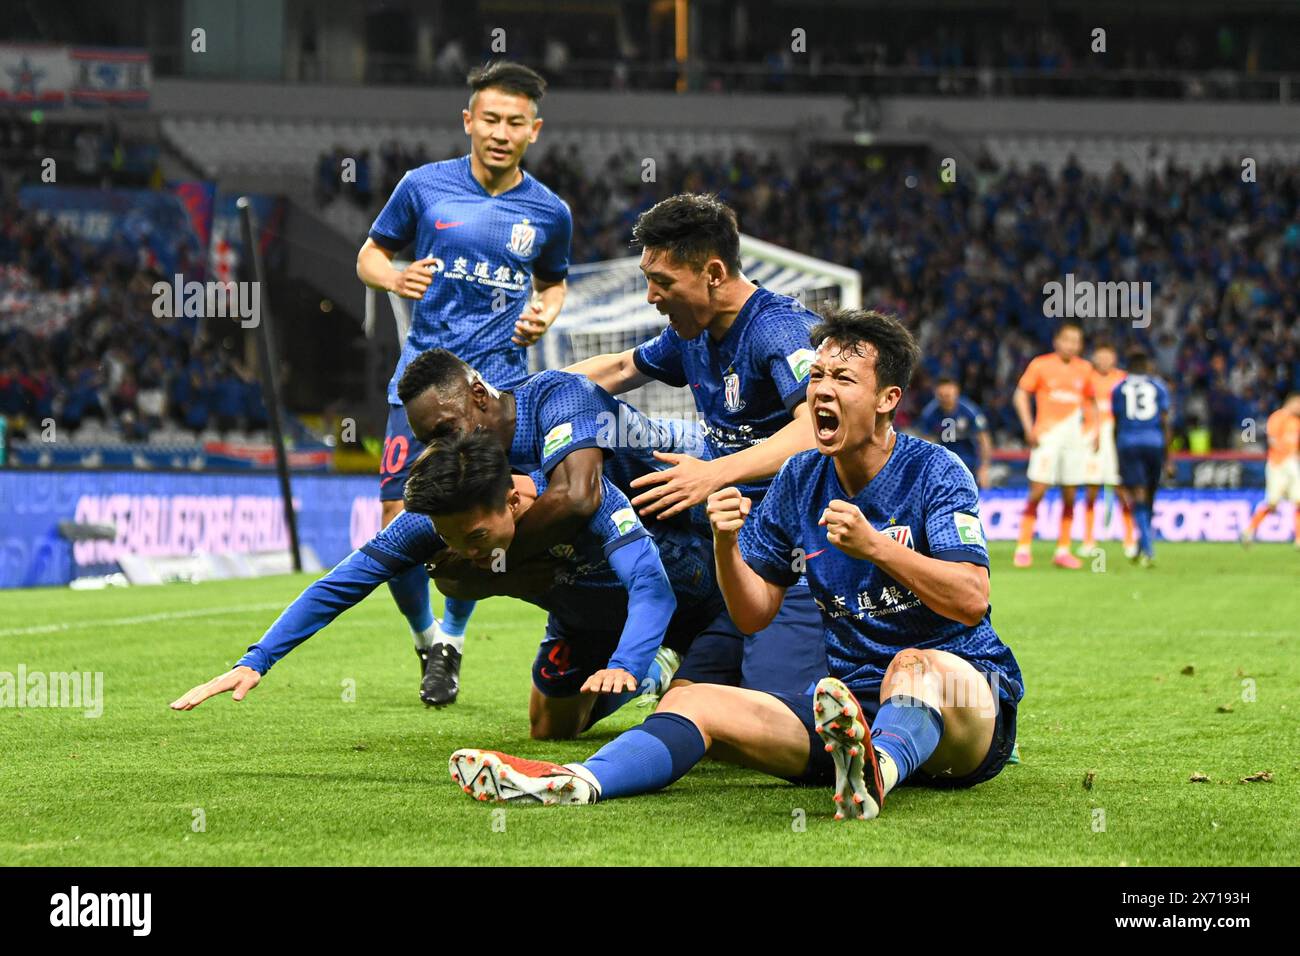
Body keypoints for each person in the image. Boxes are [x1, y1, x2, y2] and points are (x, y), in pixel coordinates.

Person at [447, 310, 1023, 821]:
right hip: (847, 716)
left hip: (963, 707)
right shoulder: (799, 480)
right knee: (691, 701)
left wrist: (877, 547)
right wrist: (726, 541)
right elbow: (752, 615)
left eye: (843, 379)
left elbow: (970, 598)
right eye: (817, 376)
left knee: (914, 665)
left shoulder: (935, 472)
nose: (821, 389)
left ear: (887, 399)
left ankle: (878, 772)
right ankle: (580, 782)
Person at [169, 433, 721, 740]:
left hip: (683, 603)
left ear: (511, 499)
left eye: (476, 536)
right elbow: (342, 583)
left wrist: (626, 657)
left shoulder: (584, 496)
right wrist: (257, 659)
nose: (464, 552)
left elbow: (652, 588)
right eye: (448, 538)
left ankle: (655, 665)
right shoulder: (436, 523)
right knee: (547, 731)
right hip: (581, 622)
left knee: (707, 724)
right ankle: (653, 675)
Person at [355, 61, 572, 703]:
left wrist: (546, 312)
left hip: (497, 393)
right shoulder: (424, 187)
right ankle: (428, 640)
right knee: (397, 521)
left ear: (533, 129)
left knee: (483, 516)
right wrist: (393, 278)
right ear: (468, 120)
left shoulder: (549, 211)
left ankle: (452, 638)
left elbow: (555, 280)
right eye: (489, 119)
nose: (500, 132)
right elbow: (369, 254)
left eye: (515, 122)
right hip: (419, 390)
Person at [566, 192, 826, 698]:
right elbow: (619, 369)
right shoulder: (692, 332)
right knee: (595, 429)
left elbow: (814, 431)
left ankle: (682, 641)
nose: (649, 297)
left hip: (784, 534)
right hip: (722, 514)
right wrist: (523, 398)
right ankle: (661, 628)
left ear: (712, 273)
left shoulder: (777, 328)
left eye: (661, 282)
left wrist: (713, 474)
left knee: (751, 704)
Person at [1011, 323, 1097, 569]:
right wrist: (1029, 428)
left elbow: (1091, 403)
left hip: (1075, 439)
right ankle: (1024, 546)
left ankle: (1063, 550)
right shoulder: (1041, 364)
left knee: (1070, 495)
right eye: (1067, 339)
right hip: (1047, 436)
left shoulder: (1085, 369)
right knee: (1037, 491)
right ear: (1056, 341)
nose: (1071, 345)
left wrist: (1095, 431)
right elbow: (1020, 395)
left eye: (1076, 340)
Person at [1112, 351, 1173, 566]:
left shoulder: (1119, 388)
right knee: (1149, 494)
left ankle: (1144, 546)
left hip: (1128, 442)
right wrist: (1169, 459)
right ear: (1147, 367)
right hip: (1154, 442)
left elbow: (1116, 423)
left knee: (1137, 494)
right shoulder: (1159, 386)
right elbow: (1166, 423)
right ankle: (1146, 546)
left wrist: (1116, 454)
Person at [1079, 344, 1135, 558]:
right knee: (1091, 489)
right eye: (1099, 356)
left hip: (1115, 435)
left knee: (1121, 488)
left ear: (1114, 358)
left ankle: (1129, 539)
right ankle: (1088, 539)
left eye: (1107, 356)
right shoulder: (1086, 378)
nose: (1103, 360)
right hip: (1092, 435)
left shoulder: (1123, 379)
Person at [1240, 392, 1300, 549]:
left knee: (1298, 500)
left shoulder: (1297, 422)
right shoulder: (1277, 417)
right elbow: (1272, 440)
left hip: (1292, 463)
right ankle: (1249, 530)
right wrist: (1287, 452)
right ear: (1291, 402)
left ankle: (1299, 539)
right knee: (1272, 503)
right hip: (1277, 465)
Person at [918, 376, 992, 488]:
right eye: (941, 396)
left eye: (948, 396)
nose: (945, 399)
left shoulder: (970, 410)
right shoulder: (929, 414)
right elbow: (926, 444)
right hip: (943, 464)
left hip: (969, 461)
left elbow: (984, 439)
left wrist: (984, 468)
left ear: (956, 392)